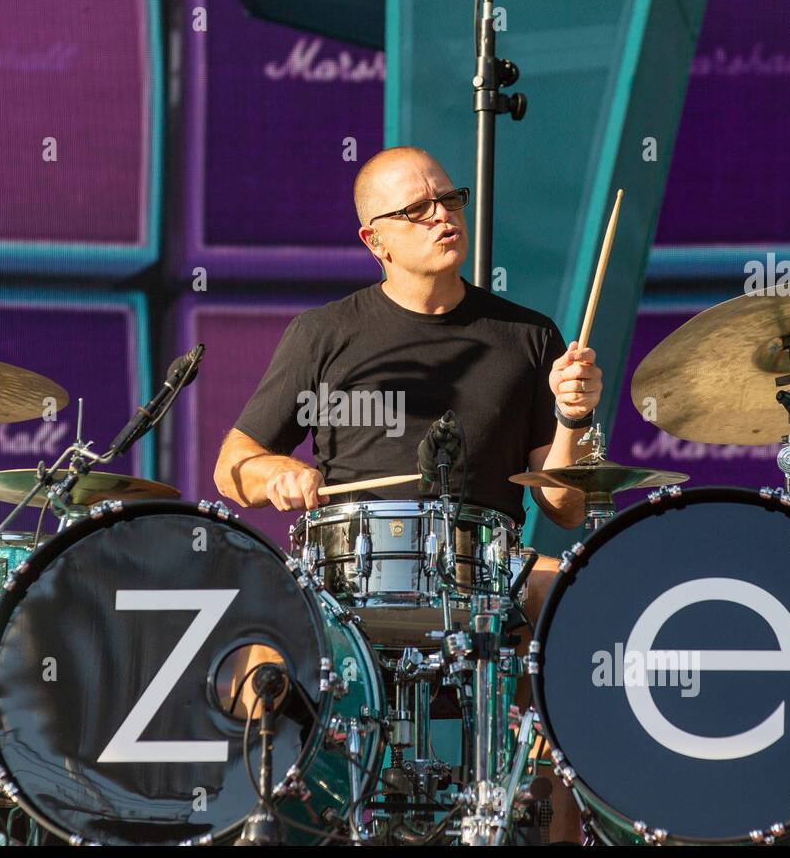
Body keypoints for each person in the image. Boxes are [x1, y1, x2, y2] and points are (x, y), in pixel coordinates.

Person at [213, 145, 602, 623]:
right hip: (350, 575)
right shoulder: (322, 333)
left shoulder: (530, 336)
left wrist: (572, 416)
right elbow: (231, 470)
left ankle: (517, 703)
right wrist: (276, 473)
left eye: (450, 199)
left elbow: (565, 509)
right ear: (376, 241)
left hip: (486, 571)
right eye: (418, 209)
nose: (442, 215)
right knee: (259, 650)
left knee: (561, 589)